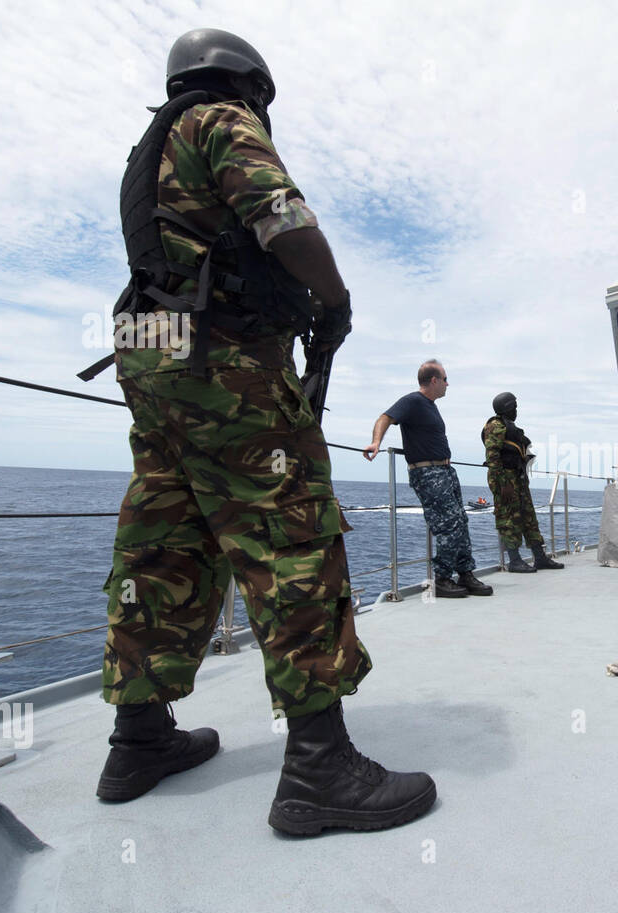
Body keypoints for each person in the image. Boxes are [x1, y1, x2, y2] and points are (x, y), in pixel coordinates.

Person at [94, 29, 435, 836]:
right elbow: (281, 220)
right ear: (251, 85)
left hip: (151, 356)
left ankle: (137, 738)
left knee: (165, 537)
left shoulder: (146, 155)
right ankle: (320, 766)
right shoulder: (218, 119)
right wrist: (335, 301)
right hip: (222, 361)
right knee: (288, 528)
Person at [364, 360, 493, 598]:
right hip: (428, 473)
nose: (447, 384)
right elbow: (385, 417)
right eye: (445, 379)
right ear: (433, 380)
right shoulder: (412, 401)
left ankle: (465, 573)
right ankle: (442, 579)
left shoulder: (431, 405)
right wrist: (376, 442)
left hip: (445, 471)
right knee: (448, 523)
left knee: (461, 521)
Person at [482, 392, 562, 573]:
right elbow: (492, 456)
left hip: (517, 477)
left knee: (528, 517)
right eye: (514, 407)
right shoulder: (495, 425)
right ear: (507, 408)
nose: (516, 411)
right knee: (508, 518)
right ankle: (514, 560)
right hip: (505, 478)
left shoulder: (511, 427)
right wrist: (503, 484)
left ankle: (539, 557)